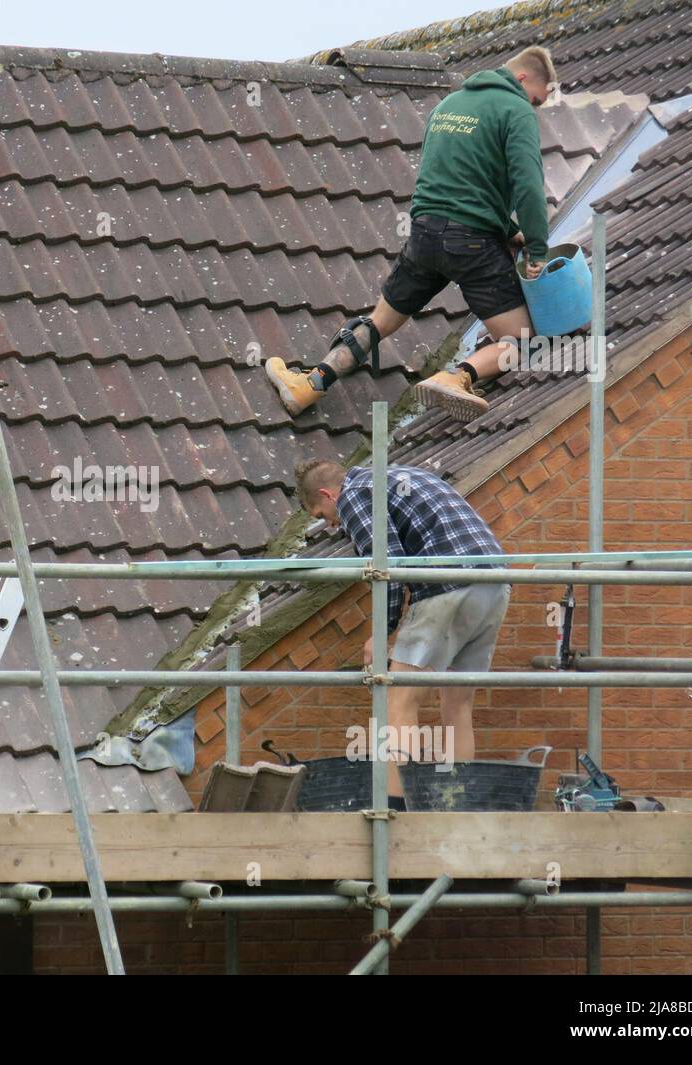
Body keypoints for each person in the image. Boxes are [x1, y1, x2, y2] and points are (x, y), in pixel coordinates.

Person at [266, 46, 559, 422]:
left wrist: (509, 229)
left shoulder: (449, 106)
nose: (533, 108)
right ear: (522, 80)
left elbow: (456, 179)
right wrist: (536, 249)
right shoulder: (514, 109)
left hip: (424, 234)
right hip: (472, 243)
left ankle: (309, 384)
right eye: (537, 99)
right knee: (521, 340)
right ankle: (456, 377)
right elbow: (529, 185)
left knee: (379, 321)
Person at [295, 459, 511, 809]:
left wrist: (380, 633)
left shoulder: (354, 495)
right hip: (494, 584)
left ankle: (394, 809)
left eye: (323, 514)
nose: (332, 525)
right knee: (457, 702)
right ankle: (455, 808)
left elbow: (387, 564)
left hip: (447, 586)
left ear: (327, 494)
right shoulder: (395, 474)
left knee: (398, 698)